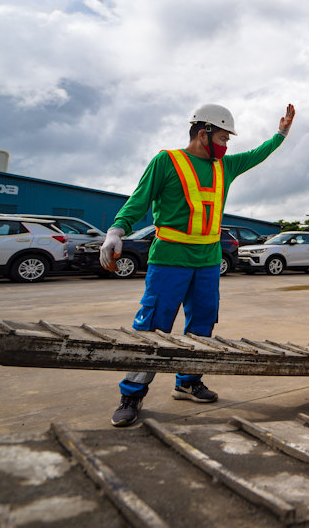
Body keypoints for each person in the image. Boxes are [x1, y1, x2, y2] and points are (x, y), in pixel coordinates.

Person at [102, 103, 296, 426]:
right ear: (203, 132)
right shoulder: (166, 161)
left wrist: (281, 134)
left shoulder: (225, 166)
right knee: (152, 326)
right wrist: (116, 231)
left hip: (208, 261)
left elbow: (258, 154)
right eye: (222, 137)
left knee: (203, 324)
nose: (226, 144)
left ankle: (188, 382)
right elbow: (139, 199)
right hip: (169, 259)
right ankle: (132, 394)